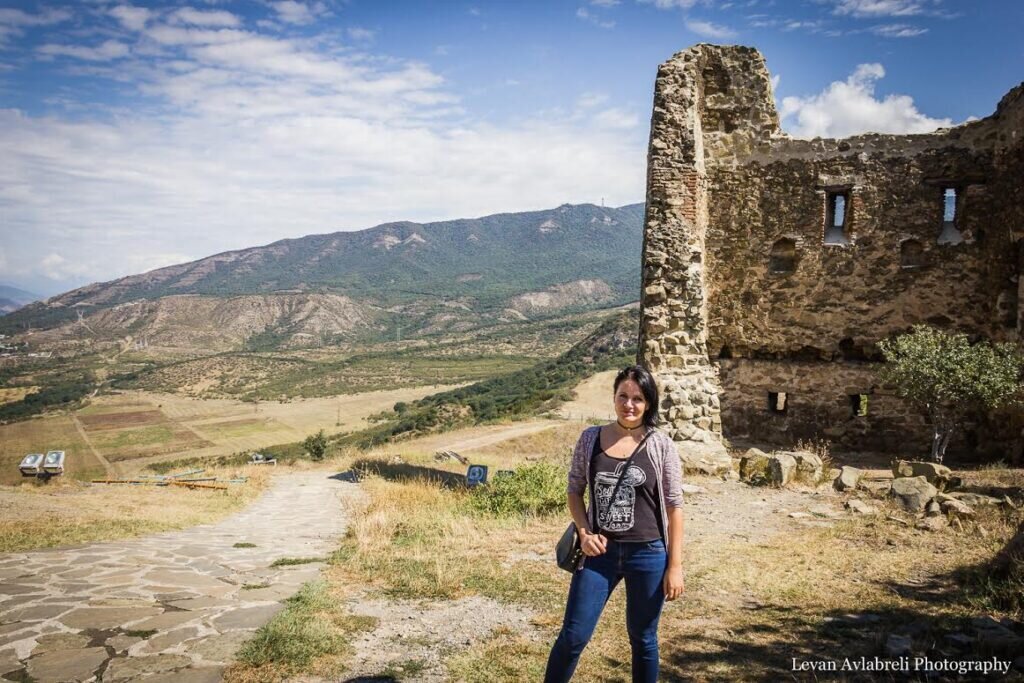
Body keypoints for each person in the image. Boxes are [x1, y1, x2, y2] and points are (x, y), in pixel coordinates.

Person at [545, 364, 684, 683]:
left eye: (638, 398)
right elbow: (574, 490)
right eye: (623, 396)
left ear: (648, 403)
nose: (629, 404)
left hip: (649, 554)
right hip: (599, 554)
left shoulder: (661, 445)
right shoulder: (591, 438)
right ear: (614, 397)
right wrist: (584, 533)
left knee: (643, 639)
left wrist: (675, 566)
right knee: (573, 635)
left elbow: (675, 506)